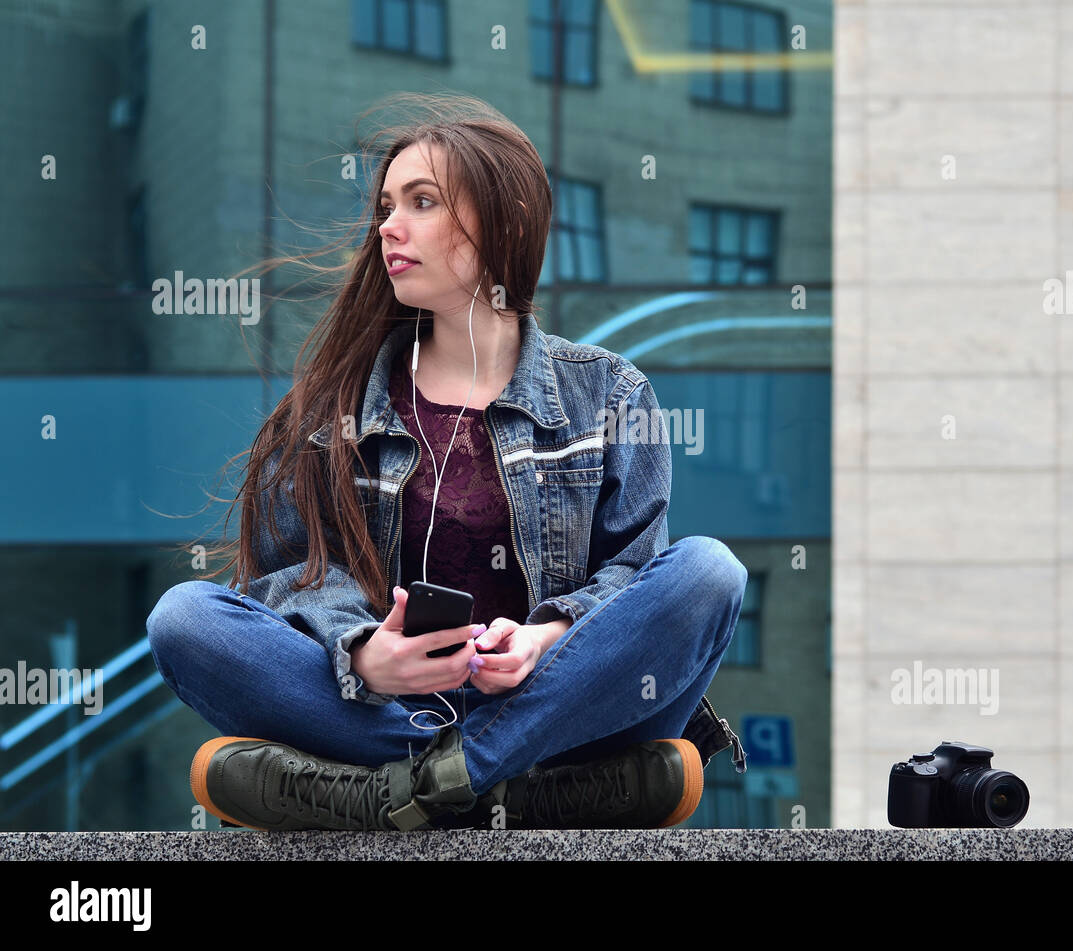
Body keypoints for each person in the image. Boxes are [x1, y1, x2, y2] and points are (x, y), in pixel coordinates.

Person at [145, 93, 747, 832]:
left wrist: (545, 638)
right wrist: (365, 656)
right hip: (380, 714)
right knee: (184, 618)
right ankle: (488, 786)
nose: (388, 226)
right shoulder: (330, 408)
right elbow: (287, 579)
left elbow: (634, 577)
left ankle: (416, 788)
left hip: (559, 718)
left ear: (508, 223)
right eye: (387, 205)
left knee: (710, 572)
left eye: (421, 201)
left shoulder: (611, 394)